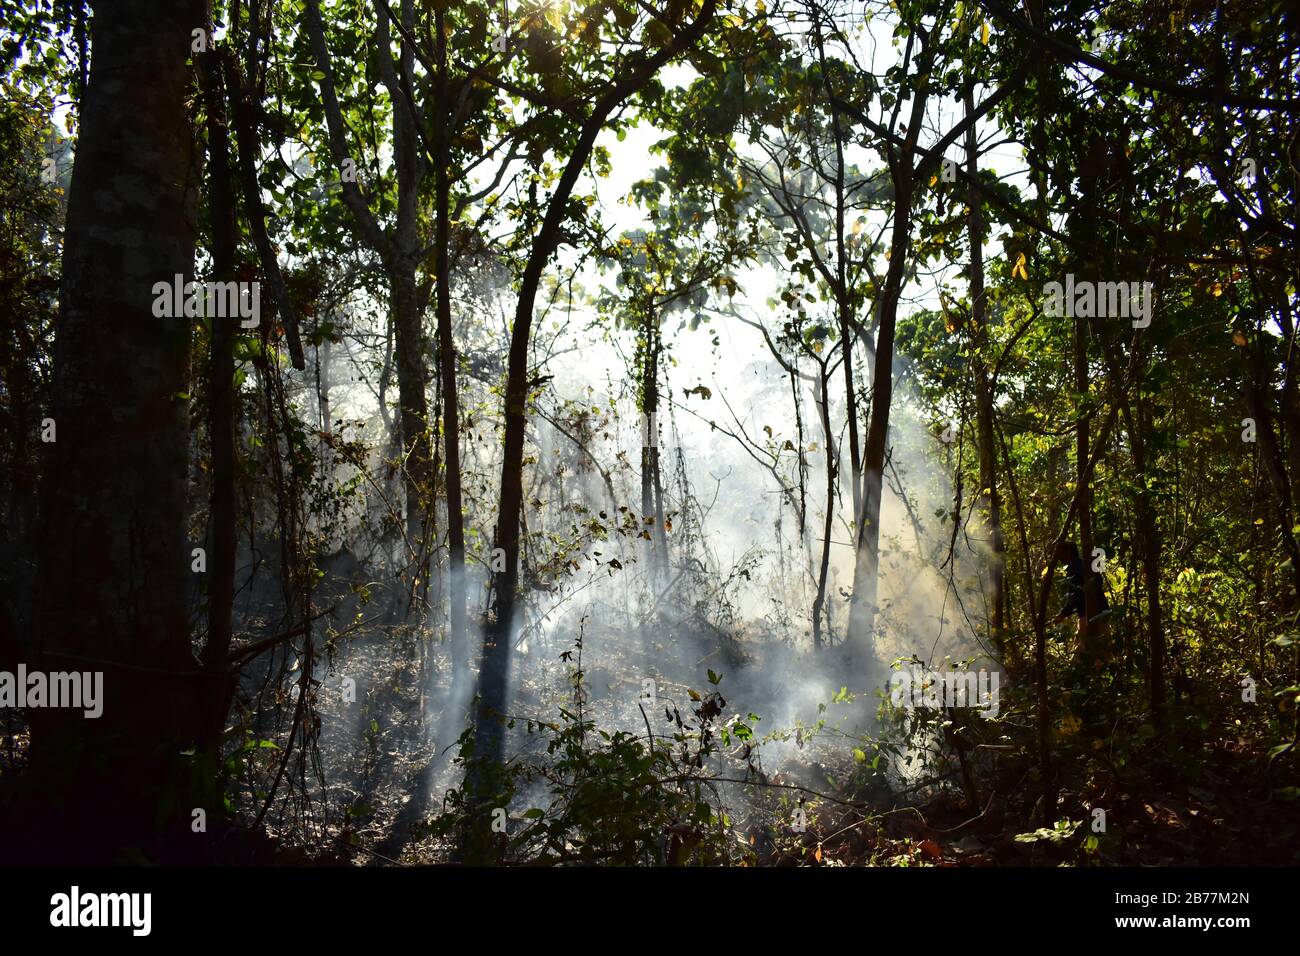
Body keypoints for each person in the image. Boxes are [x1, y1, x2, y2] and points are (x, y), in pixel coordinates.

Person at [1051, 540, 1110, 659]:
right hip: (1102, 610)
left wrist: (1063, 614)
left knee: (1082, 648)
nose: (1059, 557)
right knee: (1104, 648)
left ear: (1068, 553)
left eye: (1061, 553)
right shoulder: (1086, 565)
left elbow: (1075, 596)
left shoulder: (1073, 569)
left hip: (1088, 614)